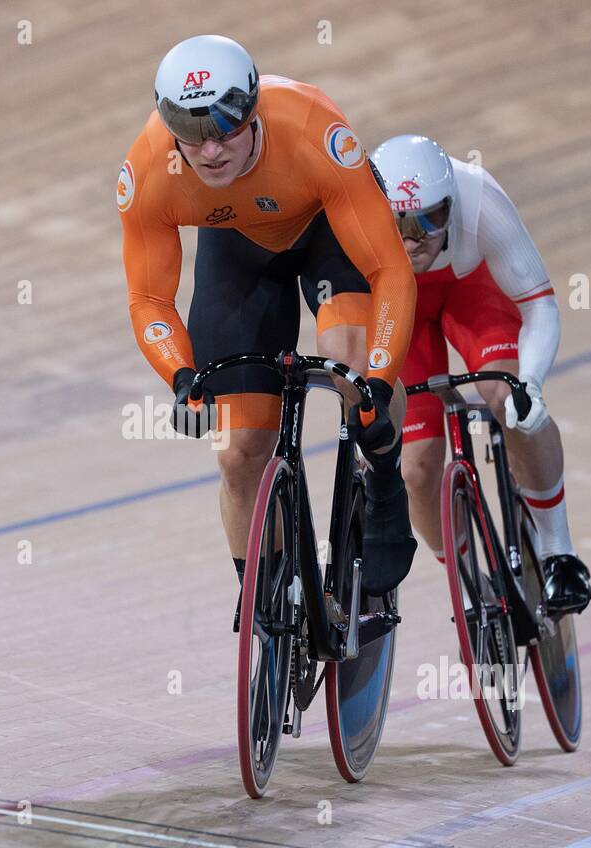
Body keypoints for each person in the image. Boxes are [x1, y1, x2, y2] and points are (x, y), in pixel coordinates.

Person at [117, 35, 418, 598]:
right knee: (237, 453)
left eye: (227, 127)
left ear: (254, 108)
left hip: (328, 230)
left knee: (349, 367)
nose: (210, 150)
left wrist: (376, 382)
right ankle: (270, 606)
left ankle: (381, 476)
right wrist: (181, 376)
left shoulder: (313, 132)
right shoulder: (149, 169)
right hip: (239, 251)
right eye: (193, 134)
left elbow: (391, 274)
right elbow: (150, 300)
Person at [368, 134, 591, 614]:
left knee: (506, 401)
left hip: (471, 290)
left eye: (430, 219)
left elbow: (539, 305)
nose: (414, 239)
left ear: (452, 205)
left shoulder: (481, 197)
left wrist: (528, 386)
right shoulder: (354, 208)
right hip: (398, 306)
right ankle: (468, 574)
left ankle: (559, 554)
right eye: (399, 223)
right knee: (417, 467)